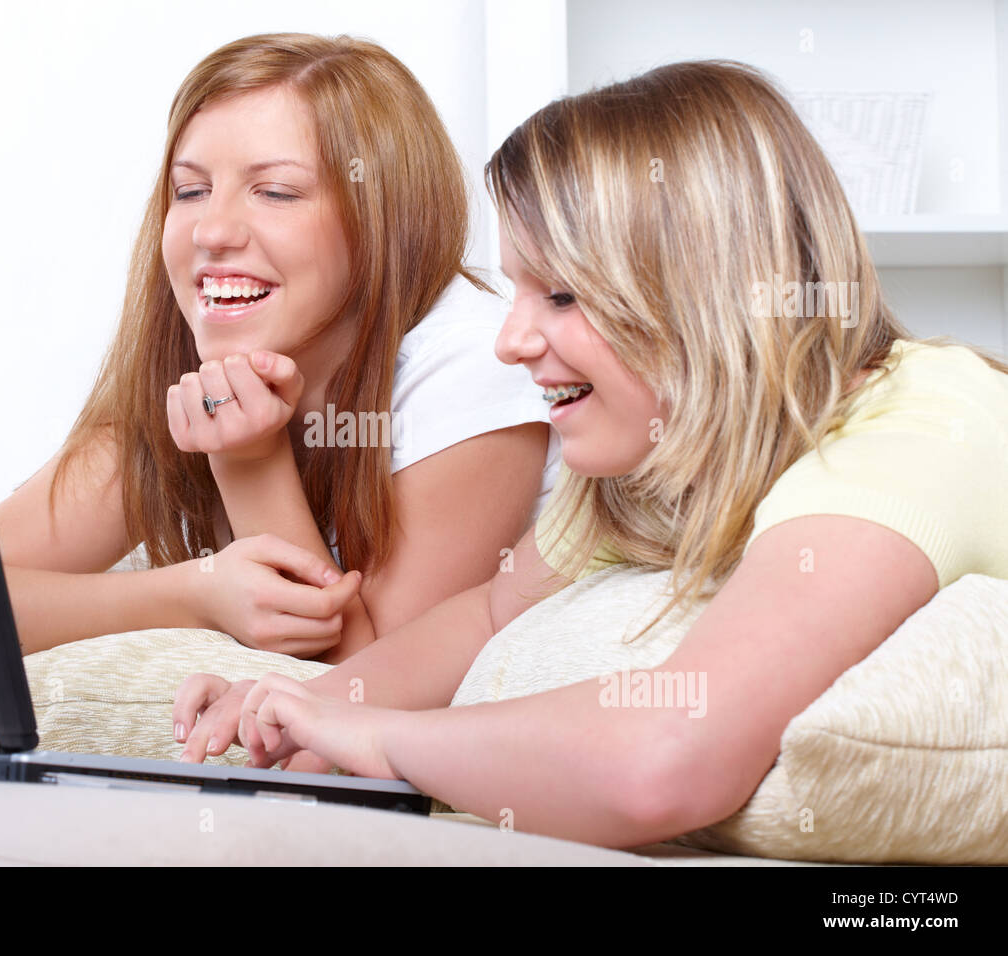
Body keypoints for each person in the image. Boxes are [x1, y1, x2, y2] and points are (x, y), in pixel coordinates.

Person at [172, 60, 1008, 845]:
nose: (510, 340)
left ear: (703, 294)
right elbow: (493, 613)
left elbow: (667, 761)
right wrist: (295, 708)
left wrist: (382, 736)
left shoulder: (917, 427)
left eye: (563, 295)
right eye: (518, 290)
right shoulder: (659, 450)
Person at [0, 33, 559, 663]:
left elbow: (368, 689)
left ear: (383, 219)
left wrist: (250, 459)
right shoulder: (192, 374)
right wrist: (191, 594)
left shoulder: (479, 360)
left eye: (276, 192)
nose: (212, 231)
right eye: (190, 191)